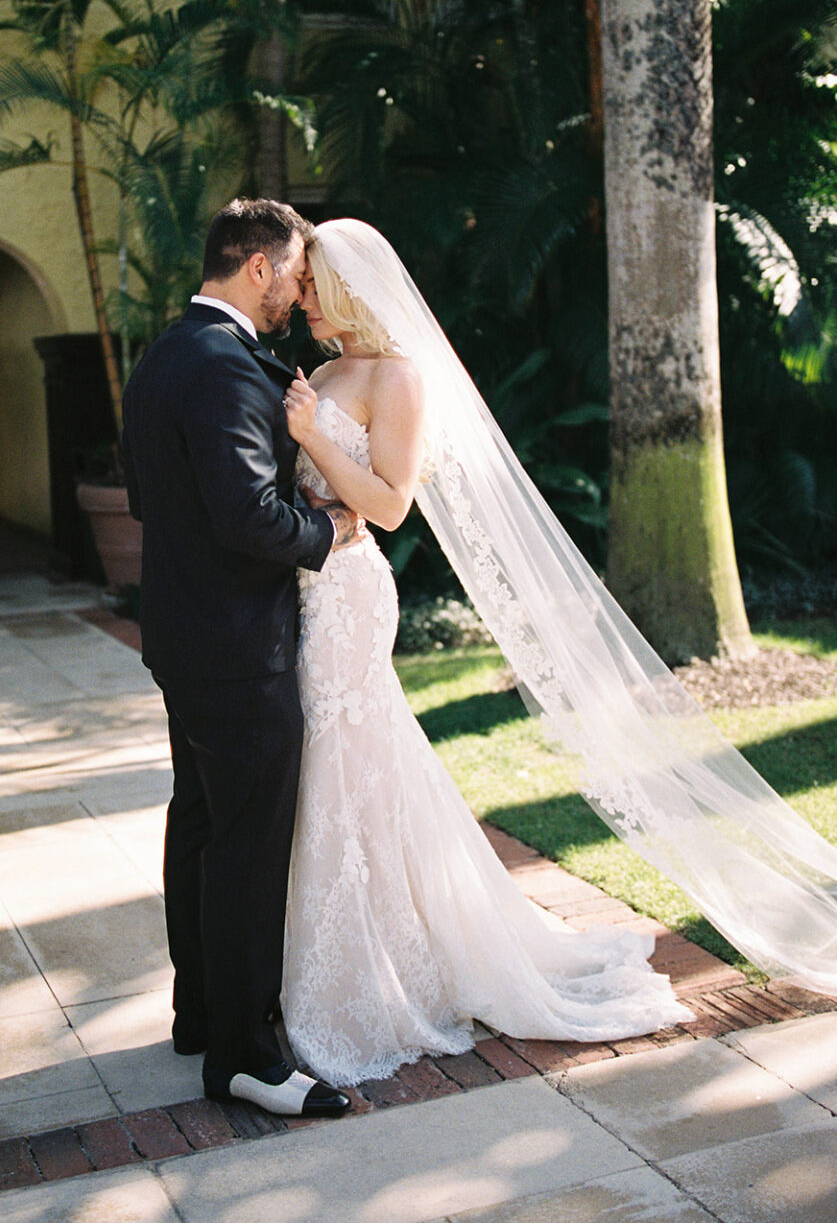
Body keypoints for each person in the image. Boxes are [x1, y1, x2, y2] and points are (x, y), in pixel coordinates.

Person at [278, 217, 837, 1089]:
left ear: (348, 287)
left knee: (348, 765)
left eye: (311, 285)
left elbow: (388, 507)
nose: (299, 298)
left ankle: (382, 974)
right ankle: (350, 953)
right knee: (341, 771)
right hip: (304, 593)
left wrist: (314, 439)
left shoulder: (398, 377)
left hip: (350, 594)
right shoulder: (320, 373)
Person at [121, 198, 359, 1119]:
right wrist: (330, 528)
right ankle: (247, 1056)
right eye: (296, 272)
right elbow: (248, 518)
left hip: (186, 634)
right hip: (235, 645)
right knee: (250, 842)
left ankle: (200, 1013)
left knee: (204, 823)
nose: (299, 290)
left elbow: (148, 494)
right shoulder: (219, 367)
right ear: (256, 266)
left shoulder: (166, 352)